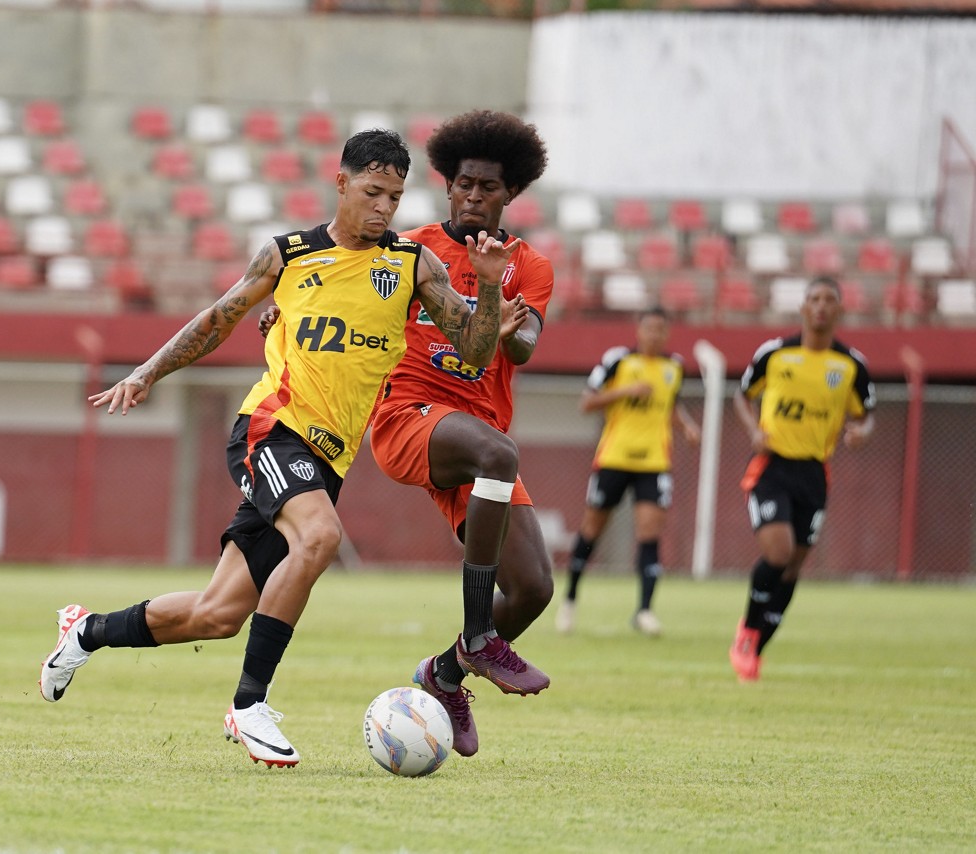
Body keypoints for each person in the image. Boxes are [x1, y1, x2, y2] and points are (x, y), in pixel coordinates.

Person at [38, 128, 519, 769]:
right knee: (319, 538)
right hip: (271, 428)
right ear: (341, 182)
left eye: (395, 197)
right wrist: (146, 372)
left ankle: (86, 632)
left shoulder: (411, 265)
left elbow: (478, 353)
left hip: (327, 458)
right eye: (372, 192)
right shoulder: (289, 254)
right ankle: (249, 704)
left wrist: (487, 286)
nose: (383, 208)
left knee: (217, 614)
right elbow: (217, 320)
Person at [361, 110, 557, 757]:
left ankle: (443, 675)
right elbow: (349, 292)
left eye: (489, 188)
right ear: (448, 186)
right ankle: (478, 636)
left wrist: (498, 291)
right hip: (408, 415)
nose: (474, 196)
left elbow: (523, 346)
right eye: (464, 184)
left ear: (510, 195)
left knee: (532, 589)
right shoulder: (411, 249)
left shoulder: (526, 266)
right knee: (499, 452)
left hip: (475, 438)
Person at [729, 276, 874, 682]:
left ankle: (757, 648)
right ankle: (746, 635)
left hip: (814, 472)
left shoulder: (850, 365)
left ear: (840, 310)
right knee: (777, 553)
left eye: (830, 299)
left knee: (792, 569)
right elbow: (742, 394)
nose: (821, 306)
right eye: (814, 299)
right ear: (803, 308)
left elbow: (866, 413)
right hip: (772, 467)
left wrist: (862, 431)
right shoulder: (775, 354)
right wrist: (754, 428)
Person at [556, 307, 701, 637]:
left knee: (650, 534)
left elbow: (671, 406)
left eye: (661, 330)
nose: (655, 335)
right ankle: (570, 600)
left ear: (667, 333)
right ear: (639, 329)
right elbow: (586, 403)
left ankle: (645, 610)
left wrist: (688, 426)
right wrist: (625, 391)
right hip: (614, 458)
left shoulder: (673, 366)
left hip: (654, 462)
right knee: (592, 530)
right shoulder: (618, 361)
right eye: (649, 328)